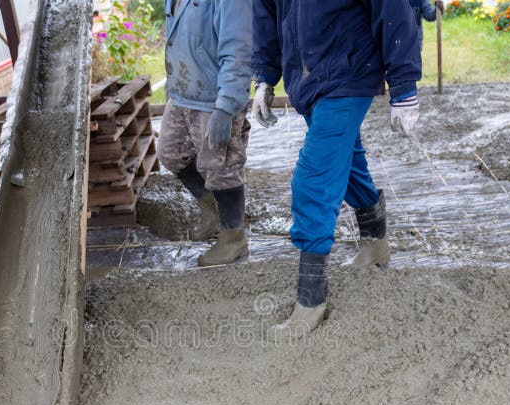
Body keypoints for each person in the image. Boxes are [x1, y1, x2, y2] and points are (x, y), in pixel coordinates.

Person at [252, 0, 422, 338]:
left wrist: (403, 86)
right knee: (347, 162)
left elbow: (393, 8)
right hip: (308, 78)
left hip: (350, 73)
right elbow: (266, 13)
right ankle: (375, 241)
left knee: (312, 181)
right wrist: (265, 78)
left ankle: (311, 300)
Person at [157, 0, 253, 266]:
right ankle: (210, 208)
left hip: (214, 99)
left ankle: (233, 237)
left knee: (221, 167)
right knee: (170, 154)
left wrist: (226, 107)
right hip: (183, 95)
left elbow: (239, 51)